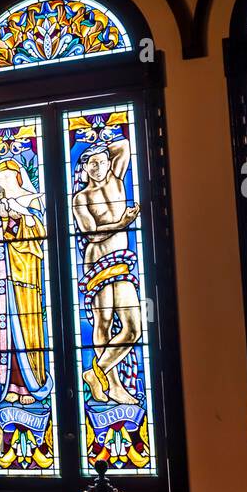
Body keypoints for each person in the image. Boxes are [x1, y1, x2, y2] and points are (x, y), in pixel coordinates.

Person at [0, 156, 53, 469]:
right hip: (5, 284)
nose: (4, 182)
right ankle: (11, 387)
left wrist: (20, 212)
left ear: (18, 176)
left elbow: (39, 230)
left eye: (8, 176)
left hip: (27, 283)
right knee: (6, 338)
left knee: (28, 333)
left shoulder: (31, 201)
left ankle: (30, 386)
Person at [72, 137, 143, 405]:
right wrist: (122, 223)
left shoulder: (117, 179)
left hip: (121, 258)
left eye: (102, 161)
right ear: (85, 168)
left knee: (133, 328)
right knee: (102, 322)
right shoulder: (81, 197)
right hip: (98, 260)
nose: (98, 167)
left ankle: (96, 372)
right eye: (92, 163)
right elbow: (91, 233)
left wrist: (97, 141)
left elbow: (125, 144)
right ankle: (112, 386)